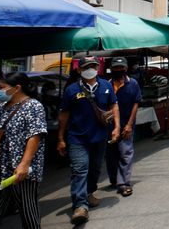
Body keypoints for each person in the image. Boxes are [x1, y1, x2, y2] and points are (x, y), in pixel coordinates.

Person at [57, 56, 120, 225]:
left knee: (94, 169)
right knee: (80, 170)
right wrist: (60, 138)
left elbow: (114, 106)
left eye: (93, 66)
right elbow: (64, 115)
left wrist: (116, 128)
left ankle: (89, 192)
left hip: (100, 137)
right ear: (79, 70)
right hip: (77, 138)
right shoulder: (71, 90)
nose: (90, 69)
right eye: (87, 67)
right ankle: (80, 205)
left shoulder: (106, 86)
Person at [0, 72, 47, 229]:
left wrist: (24, 163)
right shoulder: (1, 108)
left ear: (17, 88)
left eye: (2, 88)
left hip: (23, 172)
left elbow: (35, 135)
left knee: (28, 213)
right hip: (1, 170)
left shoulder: (33, 106)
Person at [106, 57, 142, 197]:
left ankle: (124, 183)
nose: (119, 70)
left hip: (127, 124)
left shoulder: (132, 84)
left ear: (126, 68)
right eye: (116, 67)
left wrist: (129, 125)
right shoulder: (106, 85)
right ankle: (114, 180)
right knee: (111, 155)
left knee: (125, 153)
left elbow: (136, 103)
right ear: (111, 69)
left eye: (121, 67)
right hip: (109, 127)